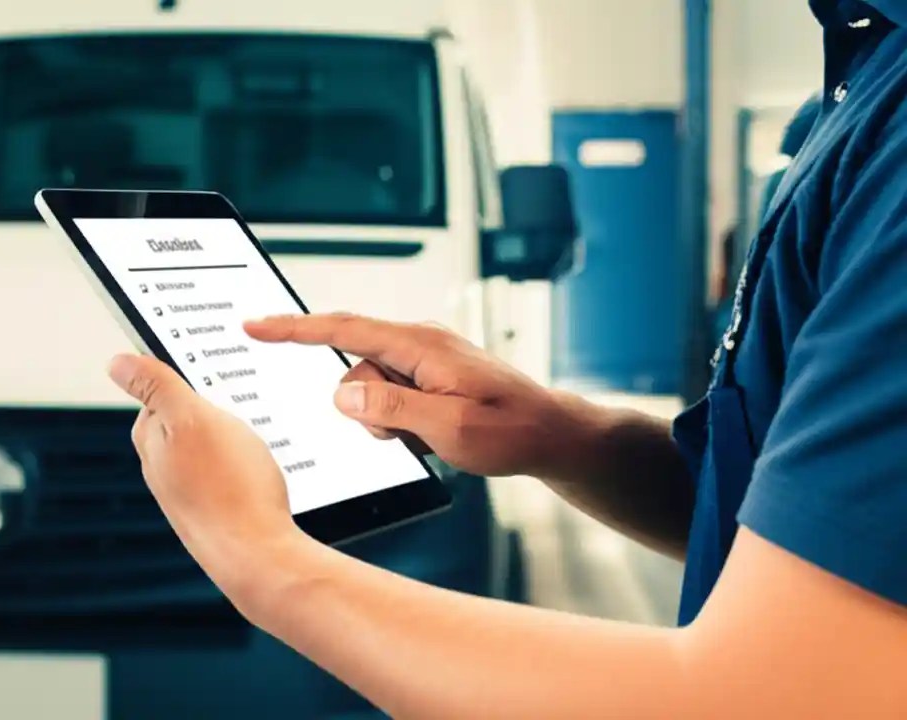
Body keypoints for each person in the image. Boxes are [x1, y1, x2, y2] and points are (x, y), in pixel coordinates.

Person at [106, 1, 907, 715]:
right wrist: (564, 438)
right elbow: (808, 521)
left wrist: (258, 556)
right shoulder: (862, 75)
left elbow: (770, 697)